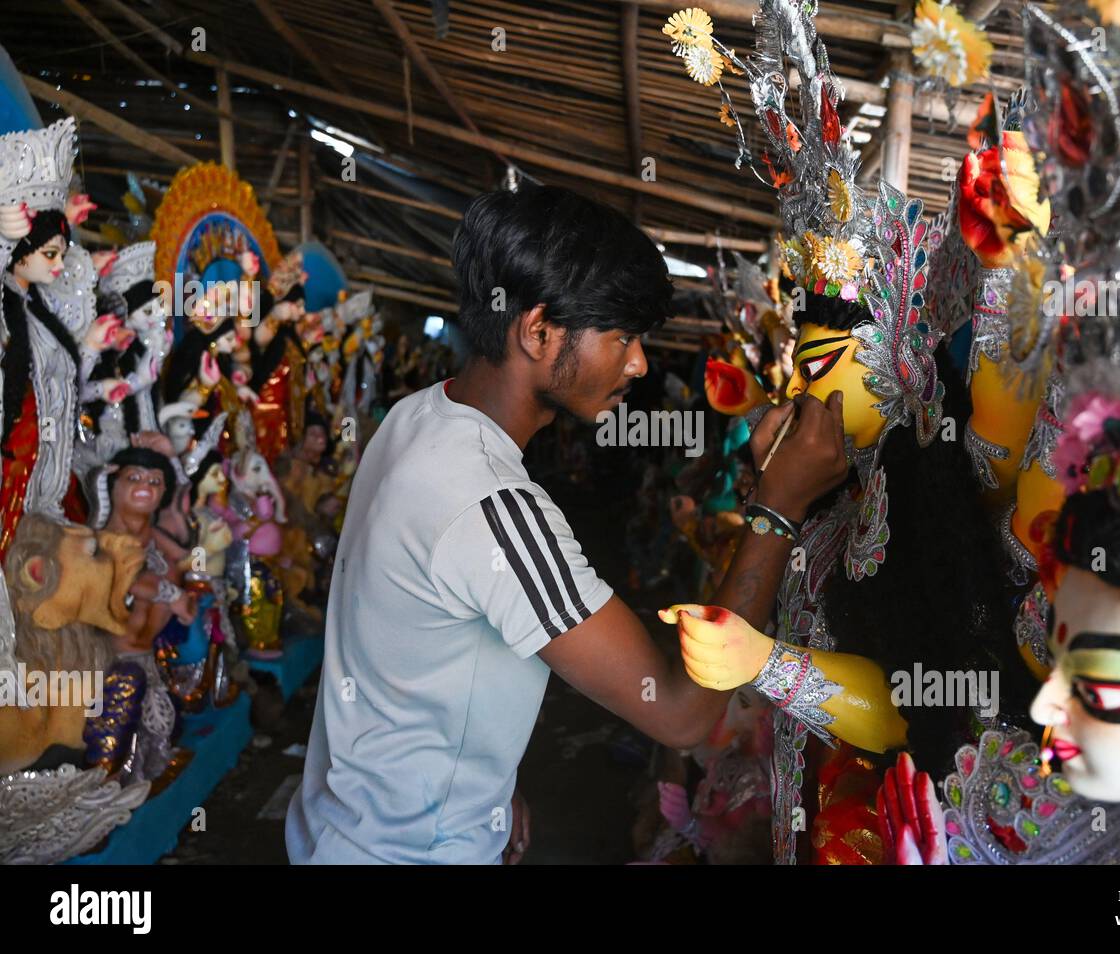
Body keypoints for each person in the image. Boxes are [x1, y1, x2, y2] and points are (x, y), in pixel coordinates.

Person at [286, 185, 848, 864]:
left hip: (343, 827)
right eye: (622, 338)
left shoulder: (416, 419)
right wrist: (777, 509)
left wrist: (480, 788)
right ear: (539, 331)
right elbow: (681, 711)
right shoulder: (492, 507)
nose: (638, 364)